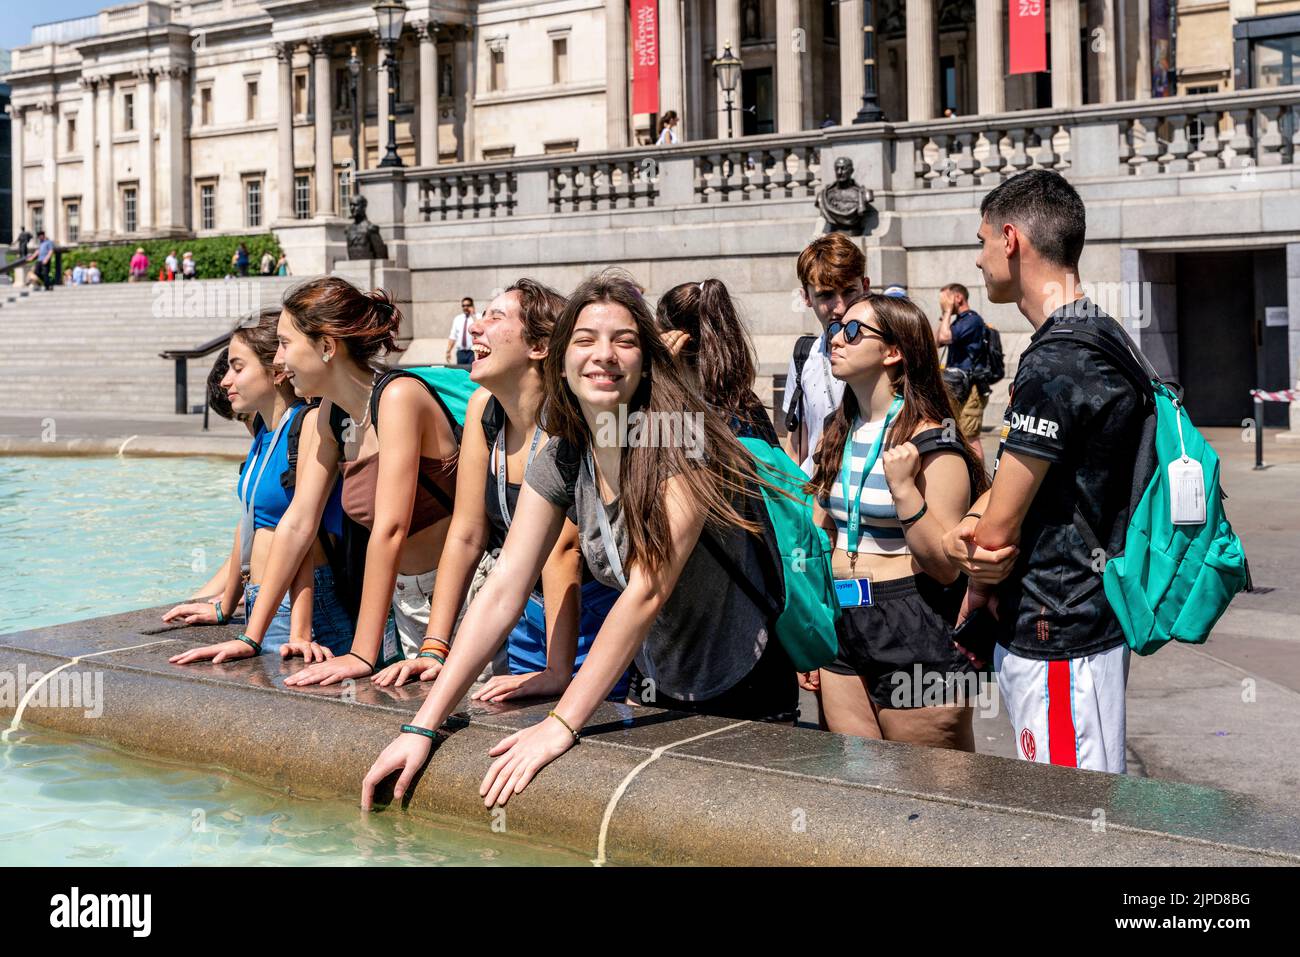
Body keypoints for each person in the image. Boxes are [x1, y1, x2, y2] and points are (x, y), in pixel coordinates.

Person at [361, 269, 799, 811]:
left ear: (646, 360)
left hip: (743, 679)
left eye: (625, 340)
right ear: (561, 357)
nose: (605, 354)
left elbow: (646, 590)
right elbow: (505, 587)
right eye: (586, 340)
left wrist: (561, 723)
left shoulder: (681, 437)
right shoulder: (566, 455)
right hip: (657, 676)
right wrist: (422, 727)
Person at [942, 169, 1146, 774]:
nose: (978, 261)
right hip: (1083, 617)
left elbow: (997, 528)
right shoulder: (1103, 333)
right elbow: (1024, 477)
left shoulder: (1056, 360)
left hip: (1060, 627)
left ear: (1011, 240)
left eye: (981, 242)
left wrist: (972, 563)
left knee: (1071, 820)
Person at [175, 278, 461, 683]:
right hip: (403, 597)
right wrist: (251, 637)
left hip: (461, 595)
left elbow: (391, 529)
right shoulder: (334, 413)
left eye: (286, 344)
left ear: (327, 347)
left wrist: (362, 654)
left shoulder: (397, 398)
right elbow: (298, 522)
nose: (279, 359)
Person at [373, 280, 626, 704]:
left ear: (541, 346)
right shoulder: (483, 409)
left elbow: (562, 552)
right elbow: (467, 532)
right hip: (526, 615)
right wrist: (436, 645)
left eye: (495, 317)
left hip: (596, 624)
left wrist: (557, 669)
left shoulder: (567, 422)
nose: (476, 328)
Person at [803, 293, 989, 749]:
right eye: (835, 329)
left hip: (912, 617)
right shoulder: (837, 428)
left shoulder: (932, 438)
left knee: (930, 794)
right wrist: (808, 627)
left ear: (893, 351)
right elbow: (820, 531)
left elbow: (944, 566)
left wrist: (905, 492)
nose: (836, 340)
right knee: (858, 782)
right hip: (841, 614)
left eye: (852, 331)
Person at [165, 310, 353, 661]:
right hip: (265, 598)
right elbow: (250, 520)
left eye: (238, 367)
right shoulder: (265, 433)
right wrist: (225, 604)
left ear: (276, 370)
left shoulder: (309, 424)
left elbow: (302, 531)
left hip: (307, 606)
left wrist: (300, 631)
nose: (225, 381)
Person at [782, 233, 868, 473]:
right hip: (813, 499)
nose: (840, 307)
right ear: (806, 297)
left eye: (850, 291)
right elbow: (796, 446)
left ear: (866, 286)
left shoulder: (890, 351)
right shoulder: (804, 355)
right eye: (826, 295)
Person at [654, 279, 776, 444]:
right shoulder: (744, 403)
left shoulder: (683, 410)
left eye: (658, 333)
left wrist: (657, 373)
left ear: (677, 340)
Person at [935, 282, 990, 456]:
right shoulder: (959, 321)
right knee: (949, 431)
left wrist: (948, 311)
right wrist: (946, 314)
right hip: (957, 387)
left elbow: (944, 336)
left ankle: (980, 482)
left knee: (969, 436)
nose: (942, 303)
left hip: (971, 389)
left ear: (958, 297)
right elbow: (938, 342)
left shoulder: (972, 320)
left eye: (945, 299)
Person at [446, 296, 477, 366]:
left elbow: (479, 328)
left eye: (468, 305)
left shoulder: (477, 317)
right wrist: (448, 351)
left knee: (471, 373)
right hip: (460, 352)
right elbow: (453, 336)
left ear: (472, 306)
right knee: (461, 373)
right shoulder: (458, 319)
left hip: (473, 352)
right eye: (463, 305)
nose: (465, 307)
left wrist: (473, 315)